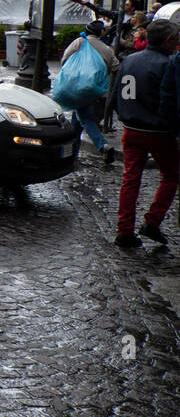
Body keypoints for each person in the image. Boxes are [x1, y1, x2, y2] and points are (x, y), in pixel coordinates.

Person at [113, 18, 179, 248]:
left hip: (131, 128)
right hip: (159, 130)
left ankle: (125, 231)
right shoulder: (167, 64)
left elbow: (116, 94)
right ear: (168, 40)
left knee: (130, 179)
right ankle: (152, 221)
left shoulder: (129, 60)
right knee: (172, 175)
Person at [61, 21, 118, 168]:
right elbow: (116, 68)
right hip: (98, 91)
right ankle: (73, 154)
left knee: (85, 119)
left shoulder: (79, 42)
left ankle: (102, 146)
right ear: (101, 33)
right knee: (77, 120)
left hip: (80, 88)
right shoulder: (107, 49)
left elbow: (65, 60)